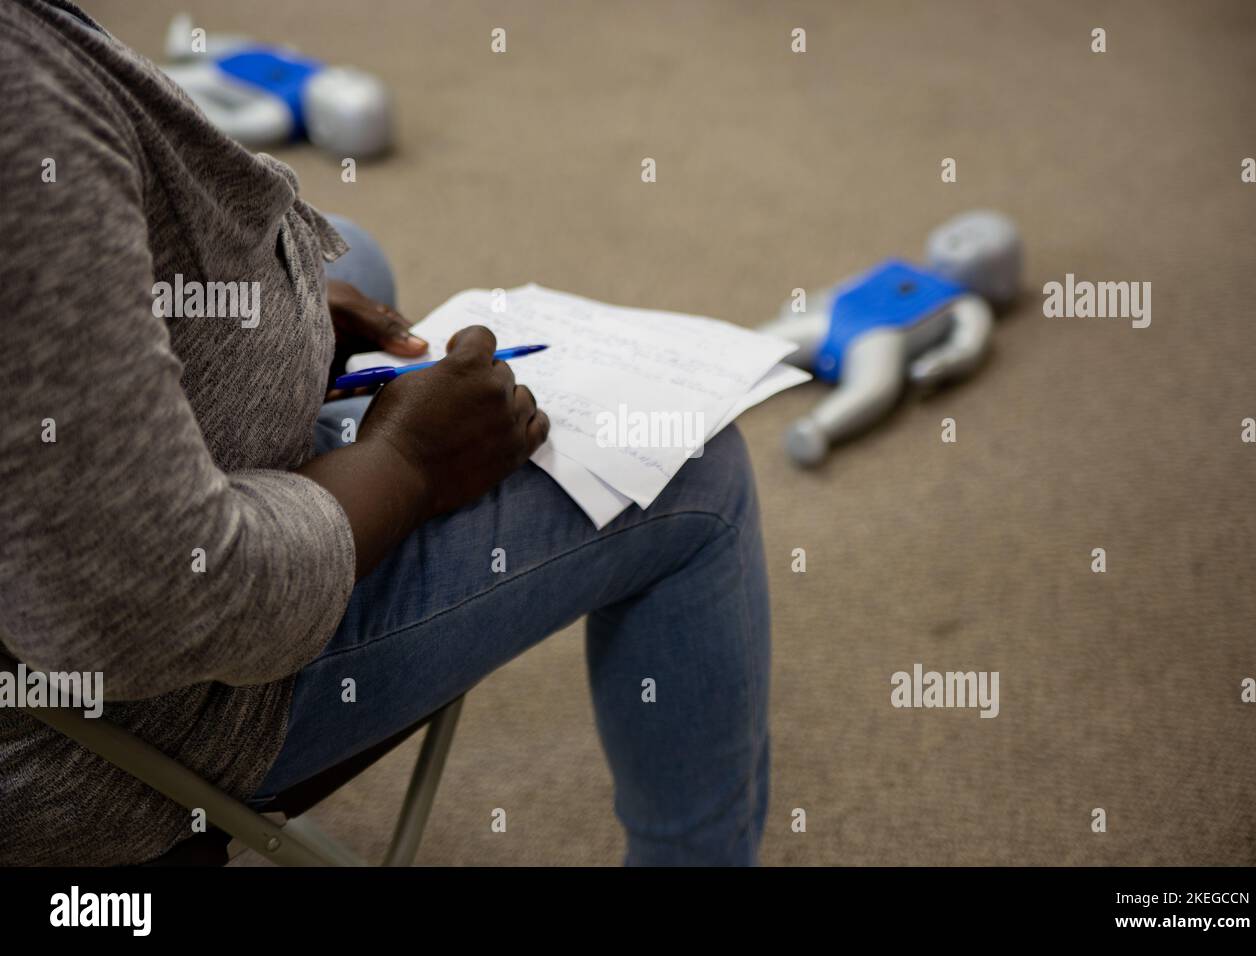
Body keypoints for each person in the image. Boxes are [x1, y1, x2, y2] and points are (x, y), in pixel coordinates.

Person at [0, 0, 771, 866]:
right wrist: (407, 466)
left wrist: (255, 307)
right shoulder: (23, 123)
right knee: (692, 467)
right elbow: (150, 612)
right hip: (106, 728)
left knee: (347, 252)